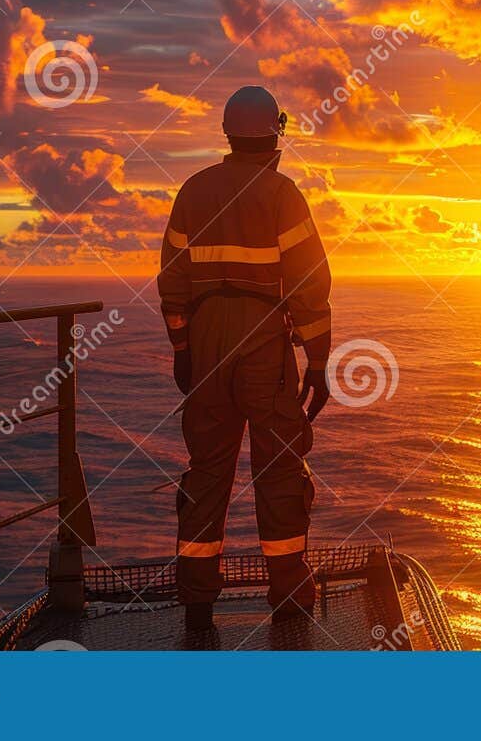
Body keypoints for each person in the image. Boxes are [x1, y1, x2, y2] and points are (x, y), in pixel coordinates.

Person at [157, 85, 332, 631]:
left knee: (207, 470)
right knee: (279, 468)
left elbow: (173, 279)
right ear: (276, 134)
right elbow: (309, 285)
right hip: (263, 345)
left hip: (207, 345)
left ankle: (197, 600)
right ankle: (289, 596)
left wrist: (183, 349)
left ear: (229, 134)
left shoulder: (194, 190)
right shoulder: (283, 195)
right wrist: (319, 362)